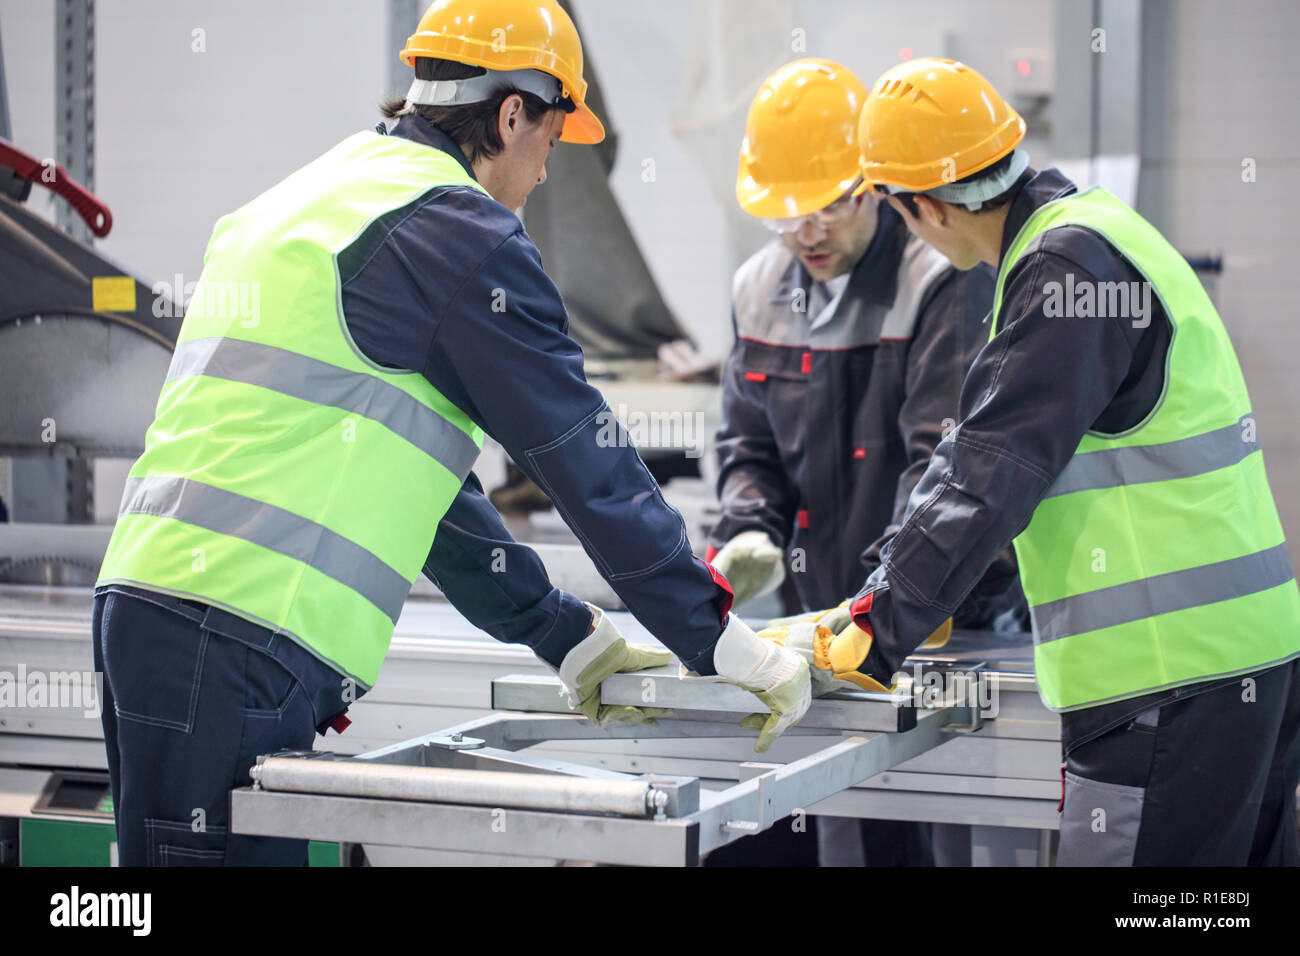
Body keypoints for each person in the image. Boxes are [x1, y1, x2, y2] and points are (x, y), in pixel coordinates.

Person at [91, 0, 808, 866]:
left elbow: (418, 485)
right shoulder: (458, 235)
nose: (547, 173)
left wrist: (564, 636)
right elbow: (584, 457)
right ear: (511, 116)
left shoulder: (322, 194)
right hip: (235, 632)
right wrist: (716, 635)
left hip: (175, 617)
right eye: (551, 140)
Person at [765, 57, 1300, 865]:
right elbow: (988, 460)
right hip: (1245, 664)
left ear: (924, 209)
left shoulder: (1062, 270)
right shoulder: (1099, 234)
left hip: (1165, 686)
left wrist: (878, 627)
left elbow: (990, 472)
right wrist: (902, 588)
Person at [707, 59, 1014, 867]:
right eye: (787, 214)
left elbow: (941, 463)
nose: (807, 232)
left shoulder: (938, 279)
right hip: (829, 630)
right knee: (844, 828)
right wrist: (747, 529)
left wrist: (887, 598)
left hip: (941, 621)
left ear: (876, 188)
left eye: (830, 208)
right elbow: (749, 445)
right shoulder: (756, 289)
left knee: (953, 836)